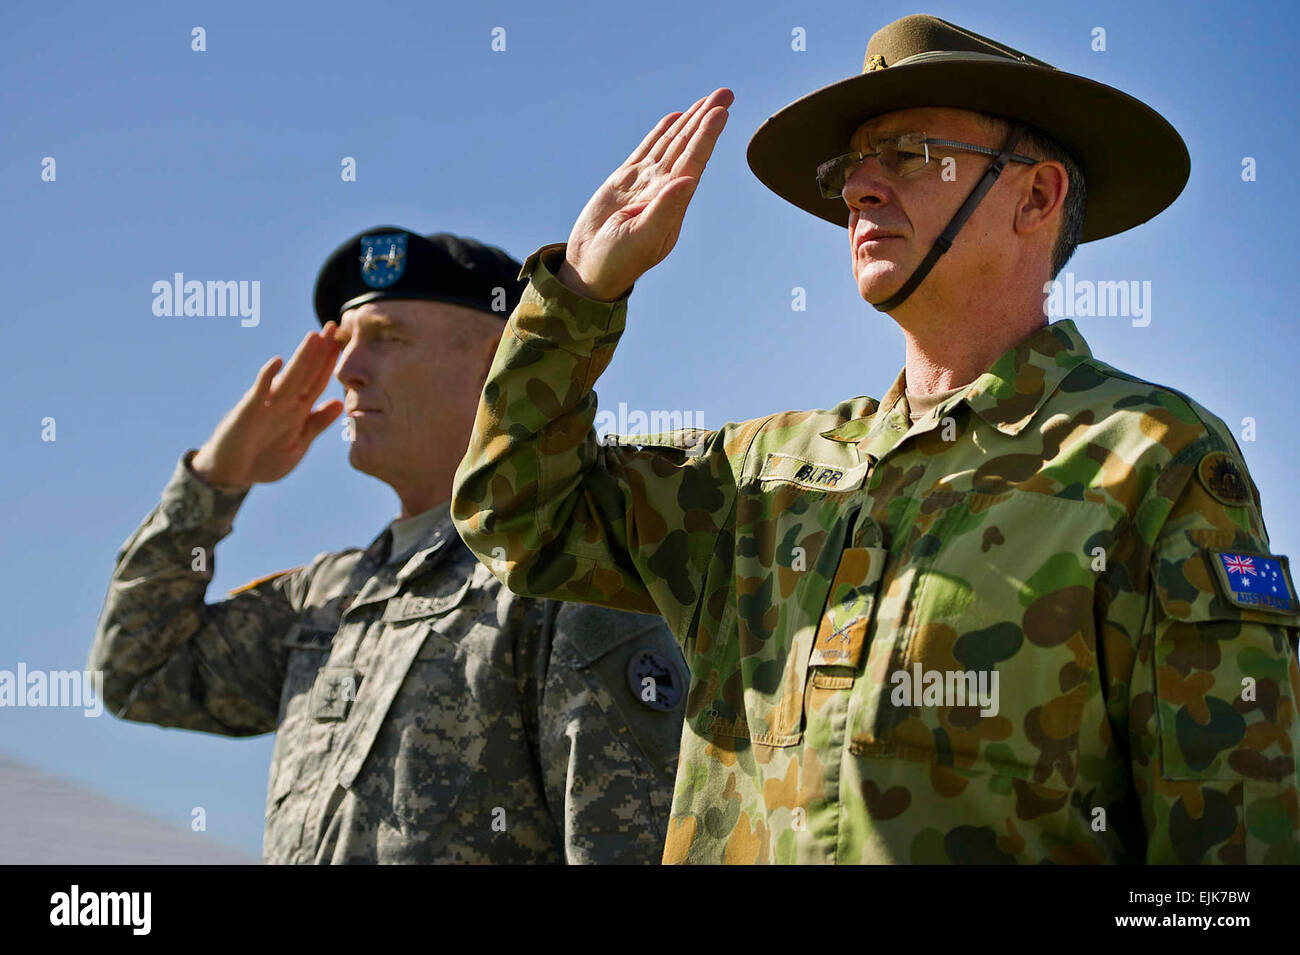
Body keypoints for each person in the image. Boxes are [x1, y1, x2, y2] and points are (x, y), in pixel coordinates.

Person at [452, 16, 1300, 864]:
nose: (858, 189)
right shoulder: (761, 479)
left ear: (1037, 197)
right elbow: (516, 511)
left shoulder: (1150, 460)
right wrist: (581, 291)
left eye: (908, 153)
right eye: (852, 166)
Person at [89, 226, 686, 864]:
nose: (346, 371)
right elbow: (135, 674)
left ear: (496, 361)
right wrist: (214, 480)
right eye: (344, 343)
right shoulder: (328, 593)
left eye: (386, 338)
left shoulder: (565, 570)